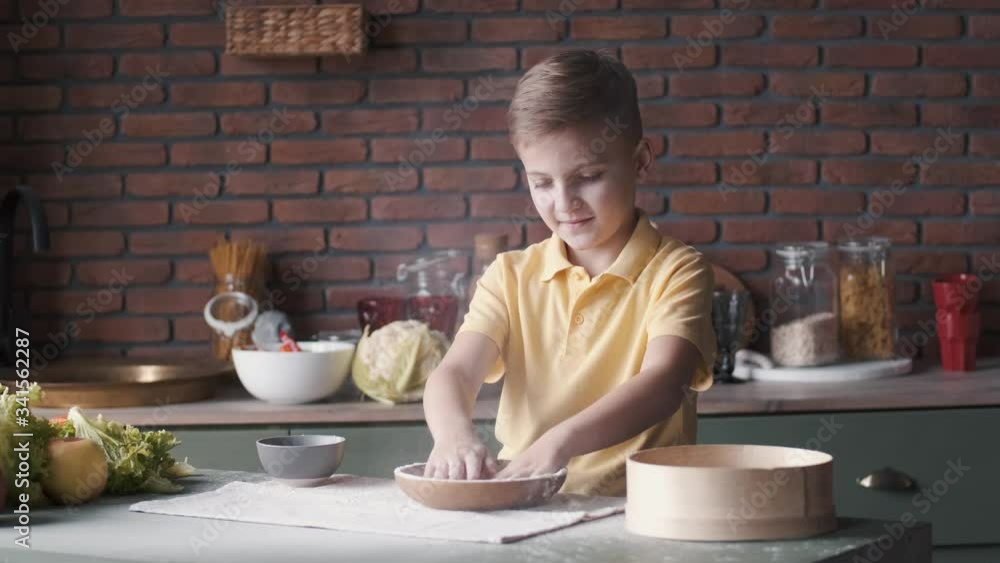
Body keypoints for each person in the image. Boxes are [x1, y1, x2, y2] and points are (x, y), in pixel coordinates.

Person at [421, 49, 717, 496]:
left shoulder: (677, 271)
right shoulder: (509, 275)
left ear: (640, 160)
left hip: (642, 508)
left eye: (588, 176)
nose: (564, 203)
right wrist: (452, 435)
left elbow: (663, 384)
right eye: (542, 182)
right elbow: (456, 374)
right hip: (523, 500)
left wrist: (557, 445)